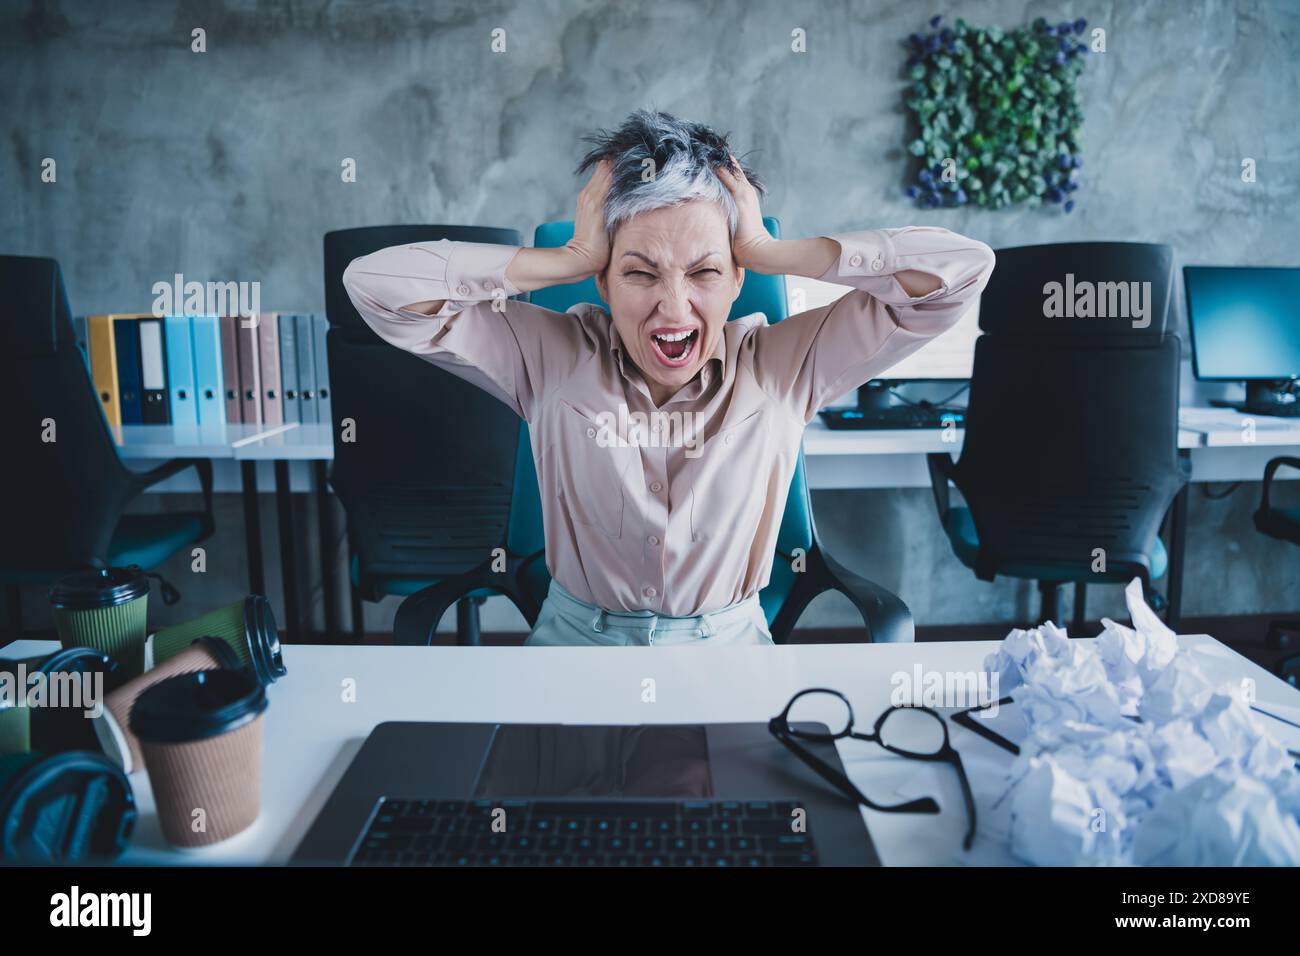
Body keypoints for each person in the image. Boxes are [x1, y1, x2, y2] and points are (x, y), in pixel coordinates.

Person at [342, 109, 995, 646]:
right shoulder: (552, 354)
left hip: (730, 659)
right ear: (601, 279)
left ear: (740, 279)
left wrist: (774, 252)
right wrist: (564, 257)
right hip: (574, 654)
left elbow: (962, 271)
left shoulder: (782, 363)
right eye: (639, 272)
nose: (673, 307)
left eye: (705, 271)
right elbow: (374, 288)